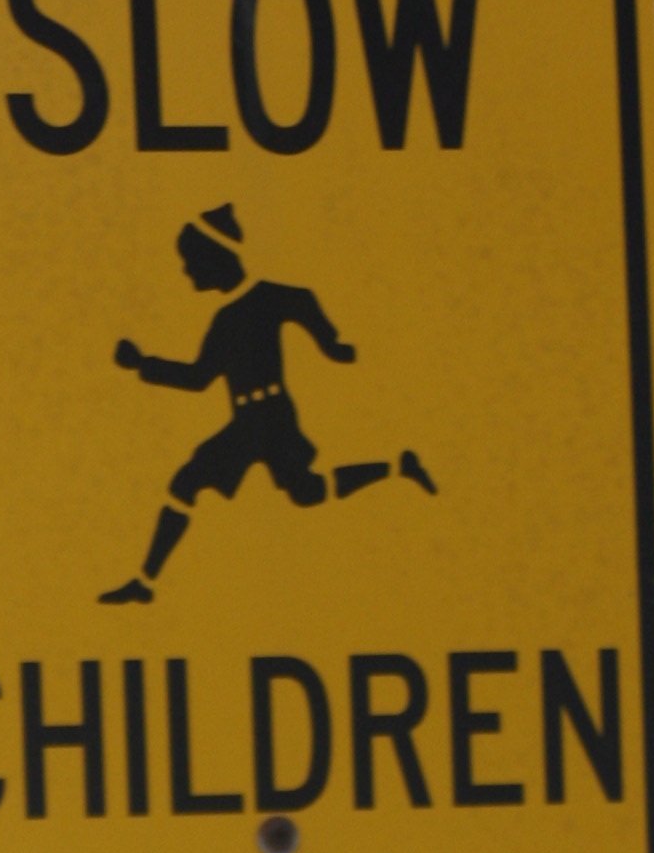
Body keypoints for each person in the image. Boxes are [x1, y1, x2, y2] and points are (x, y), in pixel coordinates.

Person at [101, 207, 434, 603]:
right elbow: (200, 378)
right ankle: (145, 584)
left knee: (306, 491)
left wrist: (331, 342)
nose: (187, 272)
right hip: (246, 422)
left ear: (215, 257)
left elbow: (302, 299)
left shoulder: (267, 298)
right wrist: (144, 365)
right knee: (190, 481)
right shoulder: (224, 321)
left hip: (273, 417)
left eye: (191, 262)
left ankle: (398, 466)